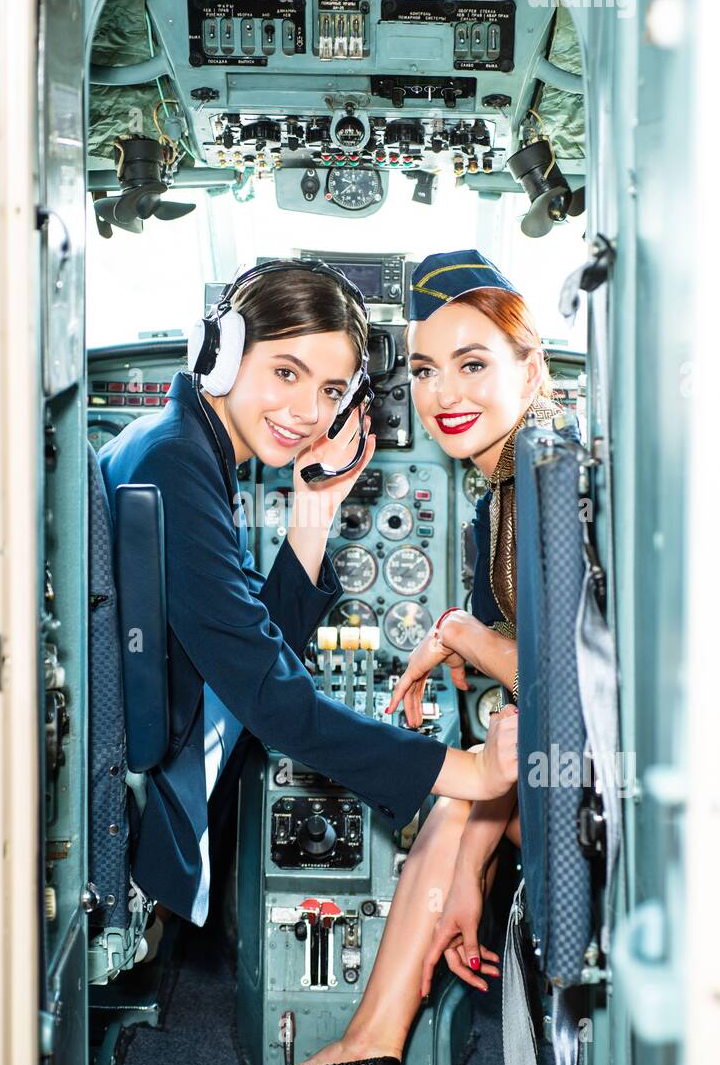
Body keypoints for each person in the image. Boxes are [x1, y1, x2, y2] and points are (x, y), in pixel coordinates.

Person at [230, 250, 559, 1065]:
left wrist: (452, 634)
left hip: (591, 777)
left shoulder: (544, 484)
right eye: (420, 368)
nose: (441, 391)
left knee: (464, 788)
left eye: (473, 363)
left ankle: (366, 1048)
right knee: (462, 793)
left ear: (531, 368)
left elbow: (555, 681)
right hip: (554, 760)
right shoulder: (505, 486)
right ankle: (364, 1046)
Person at [98, 259, 518, 943]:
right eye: (284, 373)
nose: (306, 413)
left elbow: (257, 649)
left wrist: (313, 512)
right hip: (157, 772)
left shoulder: (177, 447)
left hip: (169, 739)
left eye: (328, 390)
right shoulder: (175, 466)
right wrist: (463, 771)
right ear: (221, 354)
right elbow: (269, 698)